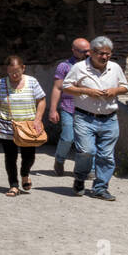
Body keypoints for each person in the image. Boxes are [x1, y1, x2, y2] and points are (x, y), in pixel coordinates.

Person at [61, 36, 128, 202]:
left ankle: (100, 188)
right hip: (85, 117)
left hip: (109, 118)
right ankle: (80, 178)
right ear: (91, 53)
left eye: (108, 54)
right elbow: (66, 86)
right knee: (87, 151)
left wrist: (115, 90)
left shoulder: (115, 68)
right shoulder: (79, 68)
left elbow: (126, 86)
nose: (104, 57)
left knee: (106, 156)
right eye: (101, 53)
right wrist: (86, 91)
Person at [0, 55, 46, 197]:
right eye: (11, 72)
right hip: (7, 126)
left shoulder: (32, 82)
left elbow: (42, 100)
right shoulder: (1, 83)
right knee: (10, 157)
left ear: (23, 68)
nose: (14, 75)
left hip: (28, 127)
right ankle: (13, 185)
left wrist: (38, 120)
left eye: (17, 72)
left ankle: (25, 173)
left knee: (29, 156)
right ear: (6, 70)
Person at [48, 37, 92, 175]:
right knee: (68, 137)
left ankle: (86, 168)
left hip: (87, 108)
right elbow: (57, 88)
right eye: (83, 51)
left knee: (87, 140)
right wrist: (53, 109)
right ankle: (60, 159)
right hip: (68, 107)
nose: (87, 54)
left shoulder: (93, 66)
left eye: (89, 50)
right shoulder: (64, 67)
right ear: (74, 50)